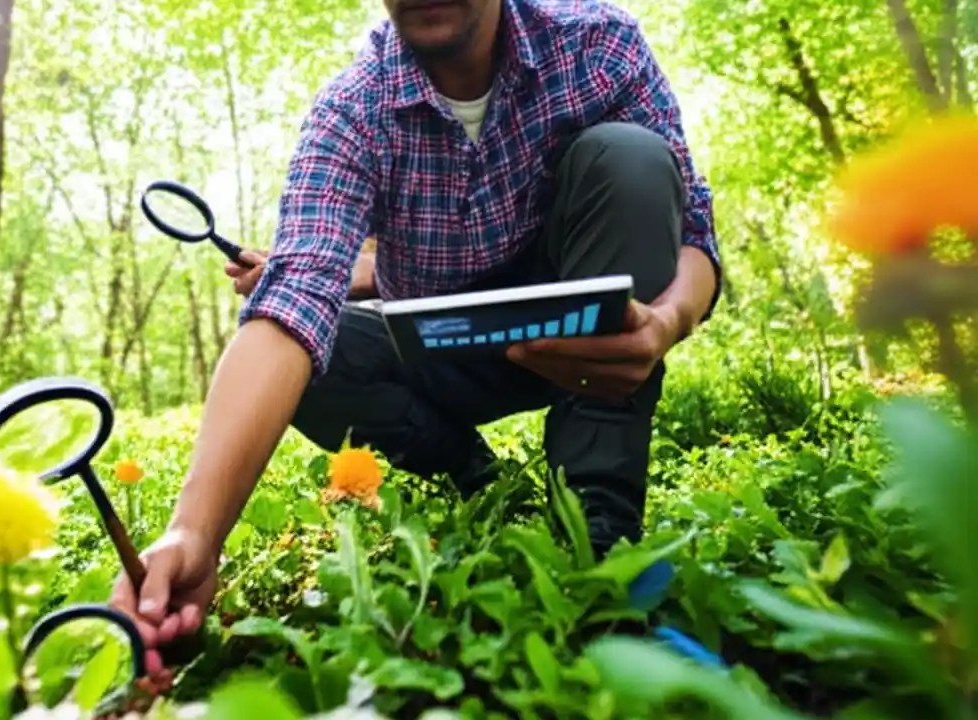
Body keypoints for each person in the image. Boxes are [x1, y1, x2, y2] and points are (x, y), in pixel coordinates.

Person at [112, 0, 721, 689]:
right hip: (442, 353)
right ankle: (471, 473)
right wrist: (194, 532)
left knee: (630, 156)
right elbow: (291, 306)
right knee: (312, 348)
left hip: (583, 346)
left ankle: (601, 538)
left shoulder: (598, 46)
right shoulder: (351, 110)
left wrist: (667, 321)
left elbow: (693, 233)